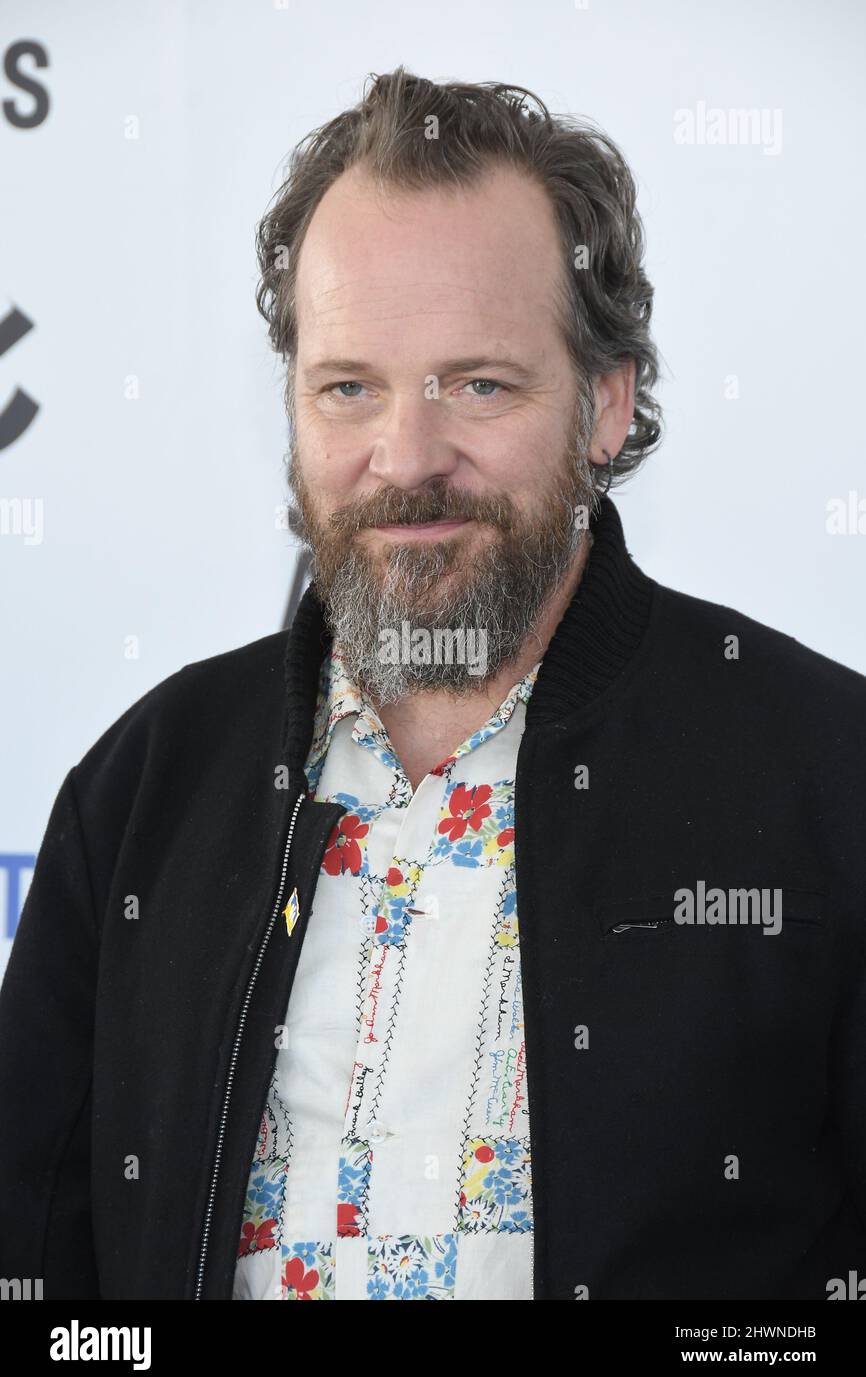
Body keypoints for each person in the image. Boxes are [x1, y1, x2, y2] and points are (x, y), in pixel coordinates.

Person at [1, 66, 864, 1302]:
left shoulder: (824, 780)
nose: (405, 457)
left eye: (478, 384)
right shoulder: (143, 793)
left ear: (605, 405)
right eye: (348, 386)